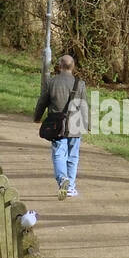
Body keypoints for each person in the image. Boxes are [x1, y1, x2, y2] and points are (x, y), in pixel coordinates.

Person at [33, 54, 90, 199]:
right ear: (73, 67)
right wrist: (87, 124)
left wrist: (37, 117)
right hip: (75, 125)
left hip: (57, 124)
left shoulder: (52, 82)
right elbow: (84, 106)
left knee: (59, 154)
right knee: (73, 156)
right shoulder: (80, 84)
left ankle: (62, 179)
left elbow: (42, 102)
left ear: (60, 66)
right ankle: (70, 187)